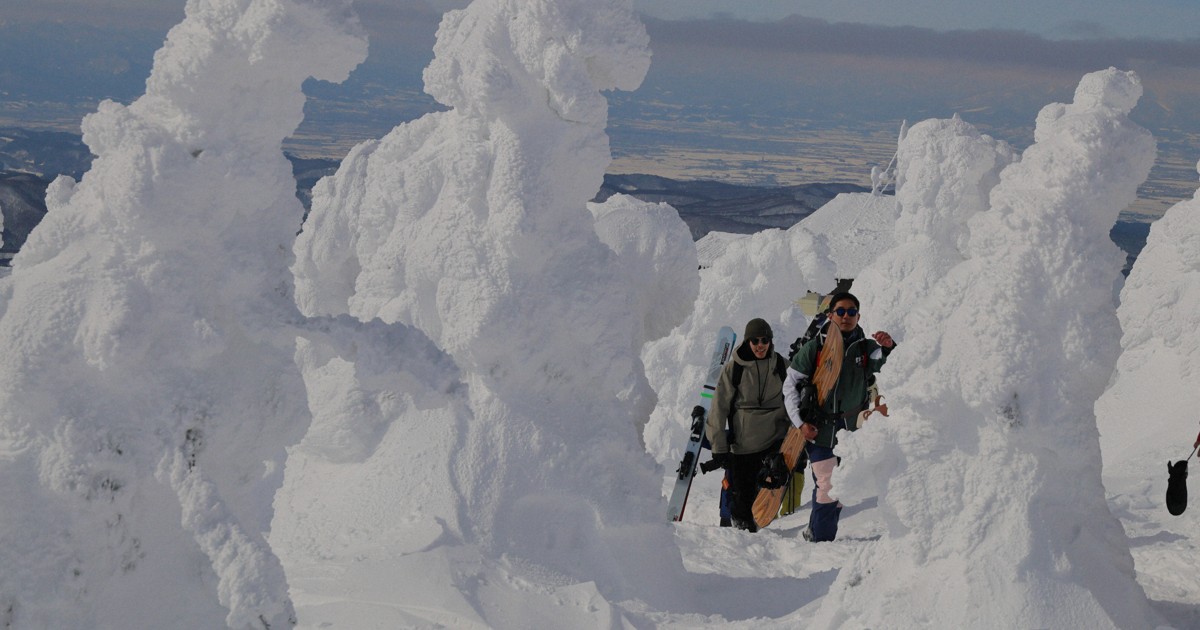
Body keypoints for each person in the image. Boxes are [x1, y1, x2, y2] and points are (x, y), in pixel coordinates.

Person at [784, 292, 895, 542]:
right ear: (830, 315)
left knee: (839, 486)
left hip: (852, 432)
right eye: (841, 311)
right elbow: (790, 384)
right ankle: (822, 540)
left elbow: (886, 361)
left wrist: (888, 347)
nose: (846, 317)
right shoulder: (816, 346)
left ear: (858, 316)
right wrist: (800, 424)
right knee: (828, 484)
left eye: (852, 312)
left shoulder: (865, 348)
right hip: (819, 431)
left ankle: (815, 529)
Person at [706, 318, 791, 532]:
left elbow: (795, 396)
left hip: (774, 443)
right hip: (743, 446)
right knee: (742, 500)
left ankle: (763, 542)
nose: (760, 345)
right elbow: (719, 408)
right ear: (747, 342)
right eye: (755, 341)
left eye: (764, 340)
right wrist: (719, 448)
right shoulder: (734, 369)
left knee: (767, 498)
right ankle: (741, 543)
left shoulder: (782, 365)